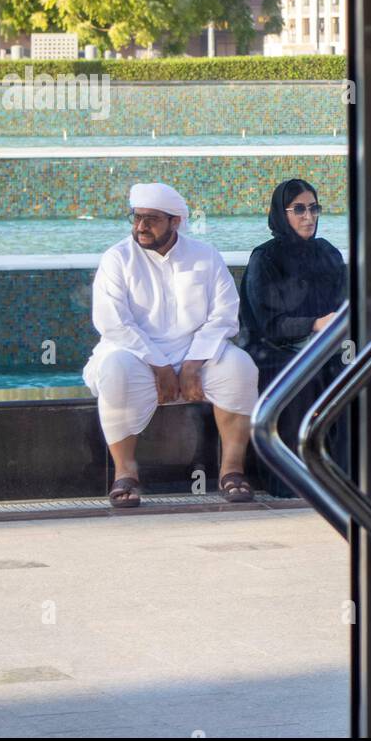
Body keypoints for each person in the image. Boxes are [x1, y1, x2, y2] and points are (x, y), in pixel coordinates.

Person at [83, 182, 260, 507]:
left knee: (240, 368)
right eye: (136, 218)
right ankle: (126, 474)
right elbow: (114, 323)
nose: (140, 227)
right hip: (134, 354)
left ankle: (232, 471)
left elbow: (223, 315)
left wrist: (193, 363)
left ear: (175, 221)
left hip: (197, 354)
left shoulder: (205, 256)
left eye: (151, 219)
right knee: (114, 372)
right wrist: (159, 364)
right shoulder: (117, 258)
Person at [239, 179, 349, 489]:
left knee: (351, 372)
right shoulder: (265, 258)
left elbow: (342, 305)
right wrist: (313, 324)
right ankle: (292, 481)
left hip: (322, 345)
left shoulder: (326, 253)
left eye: (313, 209)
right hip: (272, 349)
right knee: (305, 378)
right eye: (298, 209)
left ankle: (339, 478)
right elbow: (266, 322)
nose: (308, 217)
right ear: (281, 213)